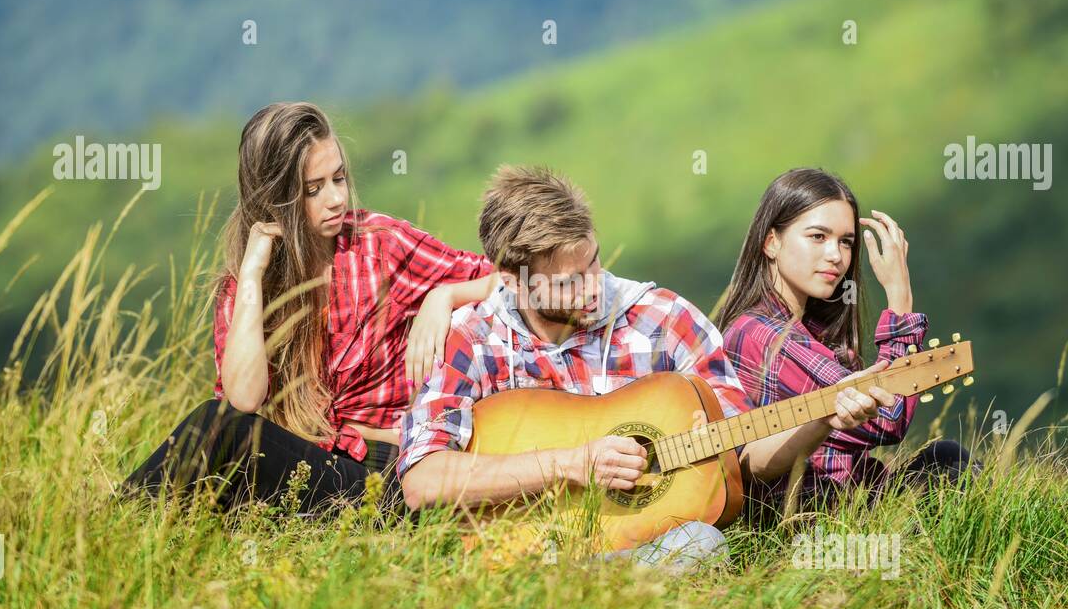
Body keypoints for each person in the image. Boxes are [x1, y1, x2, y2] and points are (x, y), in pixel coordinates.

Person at [396, 164, 891, 570]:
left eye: (593, 262)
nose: (592, 288)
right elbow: (422, 482)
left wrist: (820, 418)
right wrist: (570, 465)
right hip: (517, 558)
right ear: (513, 281)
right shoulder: (472, 338)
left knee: (703, 547)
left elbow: (747, 456)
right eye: (569, 282)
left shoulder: (664, 319)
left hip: (643, 551)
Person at [123, 102, 496, 515]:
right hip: (310, 474)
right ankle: (120, 536)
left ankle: (110, 528)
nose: (336, 198)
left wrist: (443, 297)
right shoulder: (246, 289)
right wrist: (251, 276)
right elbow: (244, 399)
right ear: (275, 199)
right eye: (313, 189)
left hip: (389, 476)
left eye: (338, 178)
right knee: (219, 438)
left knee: (219, 433)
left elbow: (510, 278)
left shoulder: (380, 245)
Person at [718, 167, 975, 519]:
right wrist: (900, 300)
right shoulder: (763, 336)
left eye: (846, 242)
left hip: (846, 505)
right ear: (771, 242)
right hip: (812, 519)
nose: (836, 256)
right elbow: (887, 419)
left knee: (944, 461)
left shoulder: (808, 333)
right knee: (948, 464)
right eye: (818, 236)